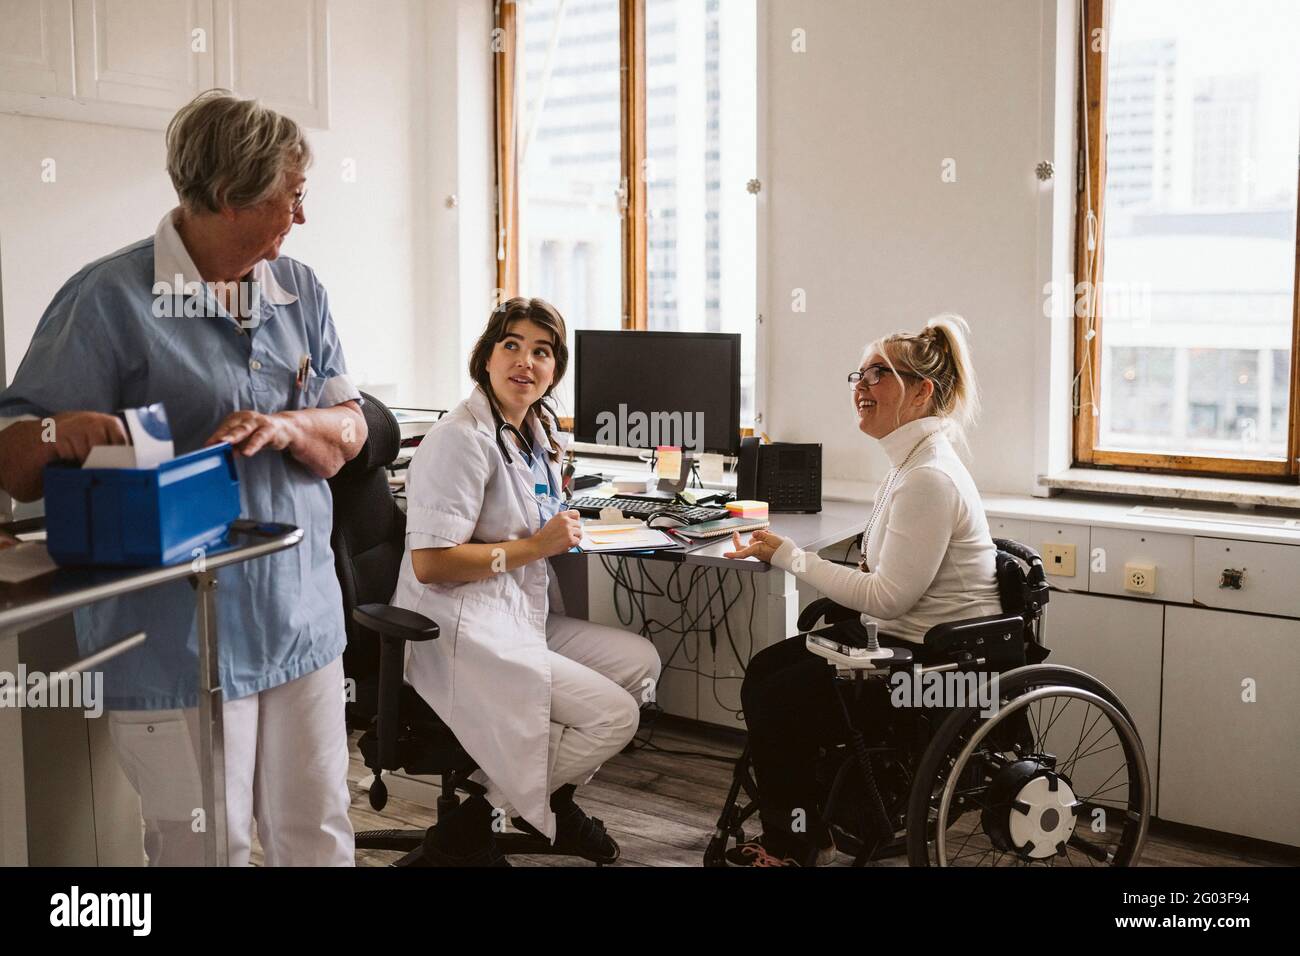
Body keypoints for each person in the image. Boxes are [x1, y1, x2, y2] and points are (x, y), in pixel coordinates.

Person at [0, 89, 365, 866]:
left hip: (299, 620)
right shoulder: (107, 299)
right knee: (206, 848)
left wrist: (291, 426)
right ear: (231, 196)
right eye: (290, 196)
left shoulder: (300, 290)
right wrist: (60, 433)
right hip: (175, 638)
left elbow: (348, 435)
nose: (301, 216)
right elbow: (15, 463)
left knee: (319, 832)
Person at [391, 297, 662, 866]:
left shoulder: (532, 435)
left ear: (555, 370)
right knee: (615, 715)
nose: (525, 361)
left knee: (640, 663)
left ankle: (527, 801)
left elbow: (532, 517)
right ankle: (480, 823)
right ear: (485, 357)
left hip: (512, 613)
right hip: (456, 628)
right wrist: (537, 547)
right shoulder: (458, 440)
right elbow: (431, 564)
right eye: (510, 344)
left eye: (542, 351)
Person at [722, 314, 1001, 866]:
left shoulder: (928, 478)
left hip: (938, 661)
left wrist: (790, 556)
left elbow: (888, 597)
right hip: (902, 639)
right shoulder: (910, 466)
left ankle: (795, 844)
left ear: (921, 391)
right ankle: (811, 829)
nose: (861, 386)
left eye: (879, 374)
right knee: (765, 671)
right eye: (860, 373)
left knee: (778, 695)